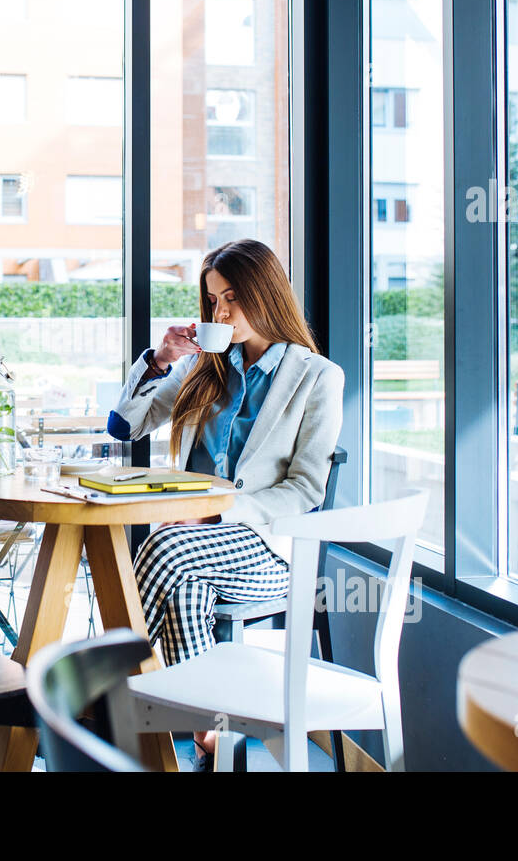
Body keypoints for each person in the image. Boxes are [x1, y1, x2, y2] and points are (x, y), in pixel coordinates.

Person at [106, 238, 344, 768]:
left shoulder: (318, 378)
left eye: (232, 297)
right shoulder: (206, 368)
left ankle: (114, 703)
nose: (221, 311)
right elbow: (124, 425)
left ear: (266, 293)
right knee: (184, 584)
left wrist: (217, 512)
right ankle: (209, 734)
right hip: (190, 552)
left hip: (269, 552)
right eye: (213, 300)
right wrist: (160, 358)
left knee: (164, 545)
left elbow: (306, 490)